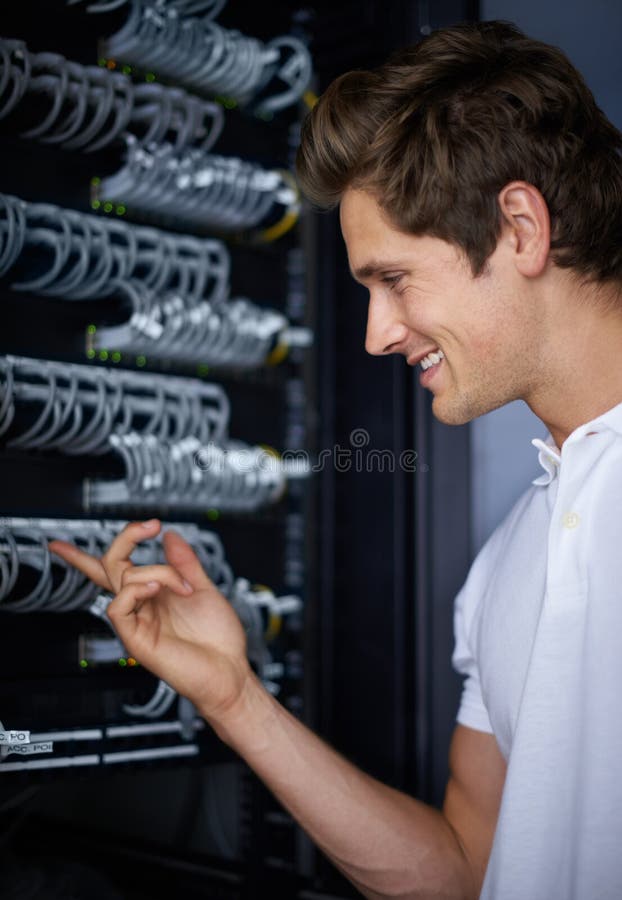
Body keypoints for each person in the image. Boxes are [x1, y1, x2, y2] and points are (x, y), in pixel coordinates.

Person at [50, 20, 622, 900]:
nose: (377, 334)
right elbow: (466, 873)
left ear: (518, 228)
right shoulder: (505, 568)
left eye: (393, 280)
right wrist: (235, 698)